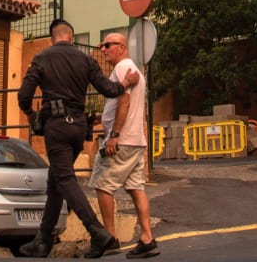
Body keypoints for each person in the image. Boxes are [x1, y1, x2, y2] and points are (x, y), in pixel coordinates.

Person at [16, 19, 139, 259]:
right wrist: (125, 82)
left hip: (56, 127)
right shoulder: (86, 59)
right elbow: (110, 90)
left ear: (53, 38)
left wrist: (32, 115)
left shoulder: (42, 58)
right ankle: (42, 240)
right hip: (78, 128)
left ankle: (97, 232)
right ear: (71, 37)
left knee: (64, 178)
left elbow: (23, 95)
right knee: (56, 180)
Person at [88, 32, 159, 258]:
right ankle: (147, 237)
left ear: (121, 47)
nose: (103, 49)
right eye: (102, 45)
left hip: (122, 141)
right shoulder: (135, 70)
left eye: (108, 45)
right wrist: (101, 117)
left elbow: (124, 100)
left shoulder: (122, 69)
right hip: (136, 141)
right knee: (136, 187)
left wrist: (114, 134)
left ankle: (110, 238)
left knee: (102, 184)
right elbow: (123, 103)